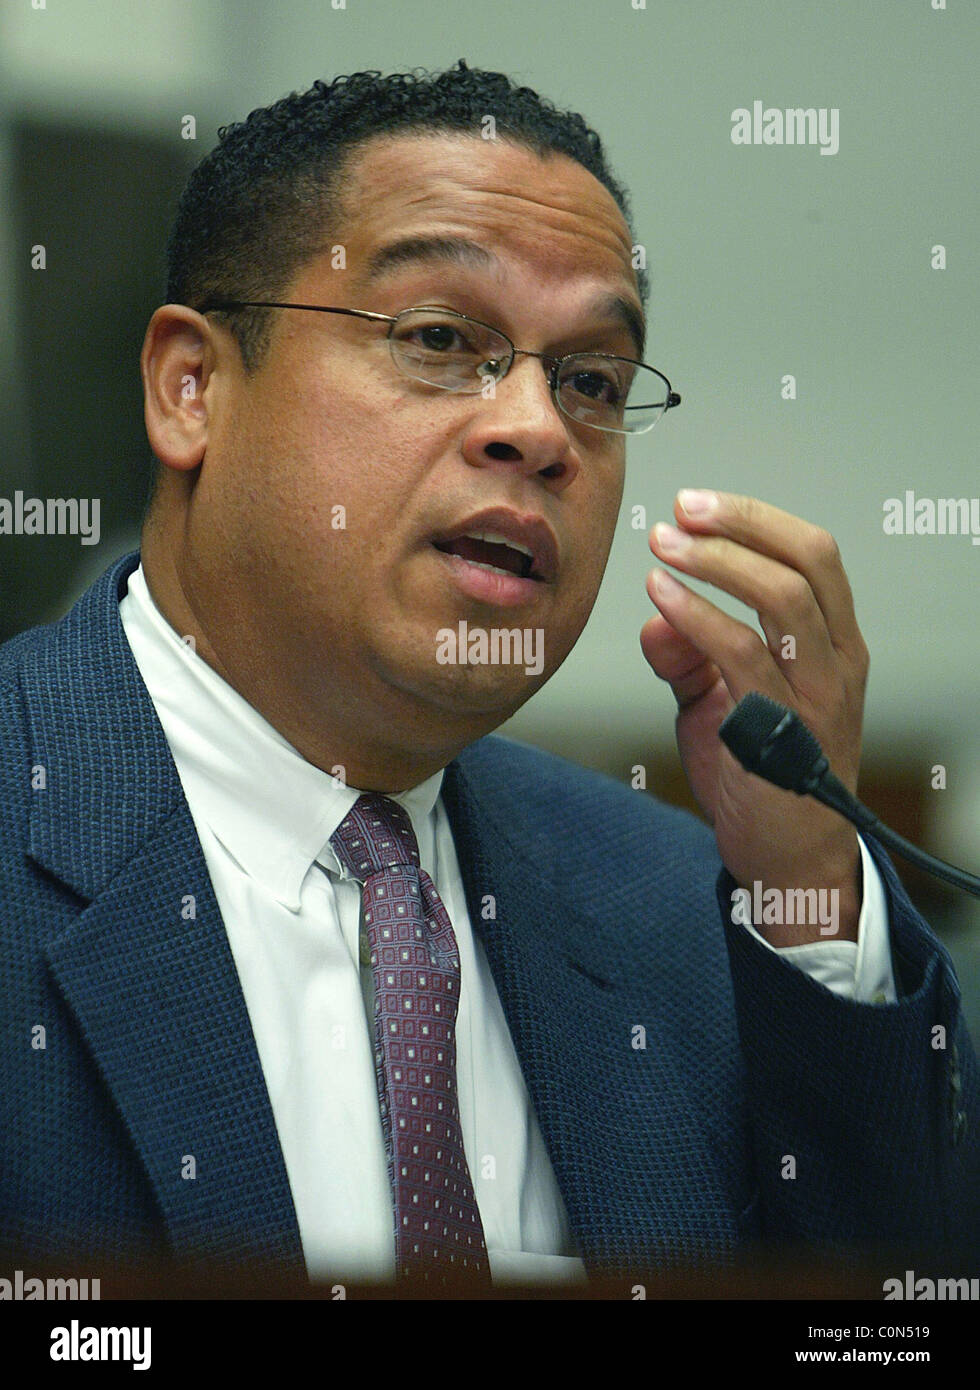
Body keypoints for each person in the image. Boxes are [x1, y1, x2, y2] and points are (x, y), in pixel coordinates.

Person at [1, 62, 976, 1291]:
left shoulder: (687, 911)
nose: (537, 428)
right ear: (191, 387)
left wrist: (805, 891)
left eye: (591, 382)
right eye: (440, 339)